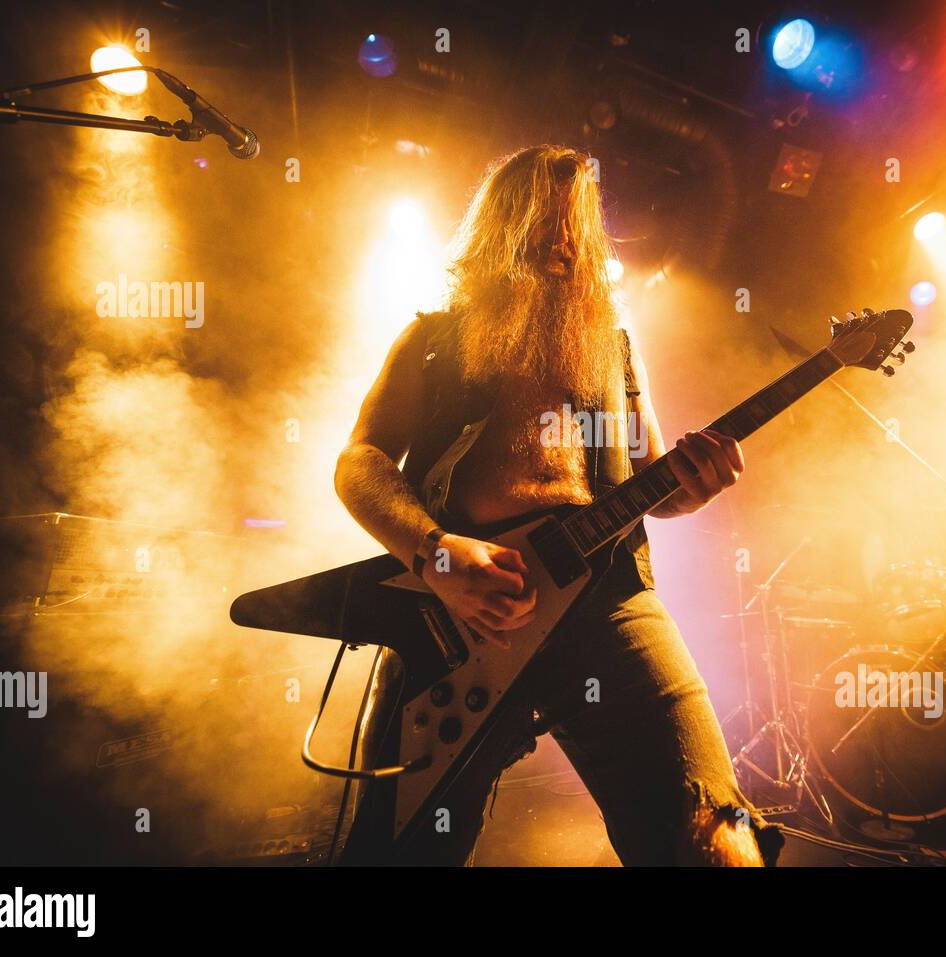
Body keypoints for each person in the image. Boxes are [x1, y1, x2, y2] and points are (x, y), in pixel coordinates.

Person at [333, 145, 783, 866]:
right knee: (396, 851)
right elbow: (361, 460)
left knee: (715, 838)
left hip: (609, 602)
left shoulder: (611, 347)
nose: (564, 239)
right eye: (544, 217)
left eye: (575, 221)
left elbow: (652, 478)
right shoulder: (432, 340)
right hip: (463, 611)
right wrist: (438, 553)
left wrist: (691, 487)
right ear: (499, 228)